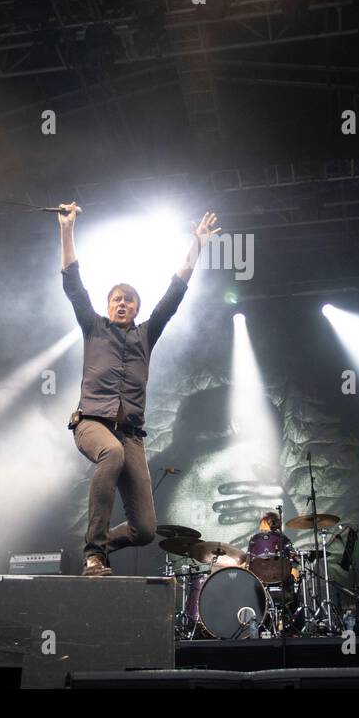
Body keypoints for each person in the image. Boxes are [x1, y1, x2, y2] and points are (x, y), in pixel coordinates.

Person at [57, 202, 220, 576]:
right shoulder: (93, 327)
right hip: (91, 425)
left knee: (145, 530)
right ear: (107, 305)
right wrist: (67, 229)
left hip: (132, 436)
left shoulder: (146, 334)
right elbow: (72, 282)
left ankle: (99, 545)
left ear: (135, 309)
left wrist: (196, 246)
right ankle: (93, 554)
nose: (122, 303)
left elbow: (173, 296)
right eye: (116, 299)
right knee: (110, 453)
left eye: (129, 300)